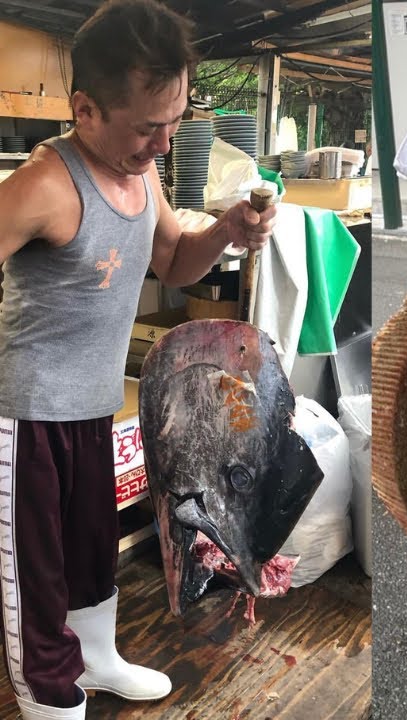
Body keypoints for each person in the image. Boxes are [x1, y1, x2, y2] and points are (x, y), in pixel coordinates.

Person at [0, 2, 274, 718]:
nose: (163, 143)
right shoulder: (43, 184)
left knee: (92, 551)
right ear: (85, 110)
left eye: (174, 119)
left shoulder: (141, 175)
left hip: (94, 405)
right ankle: (48, 695)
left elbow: (176, 264)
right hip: (28, 414)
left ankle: (95, 660)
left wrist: (227, 229)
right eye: (146, 127)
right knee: (36, 569)